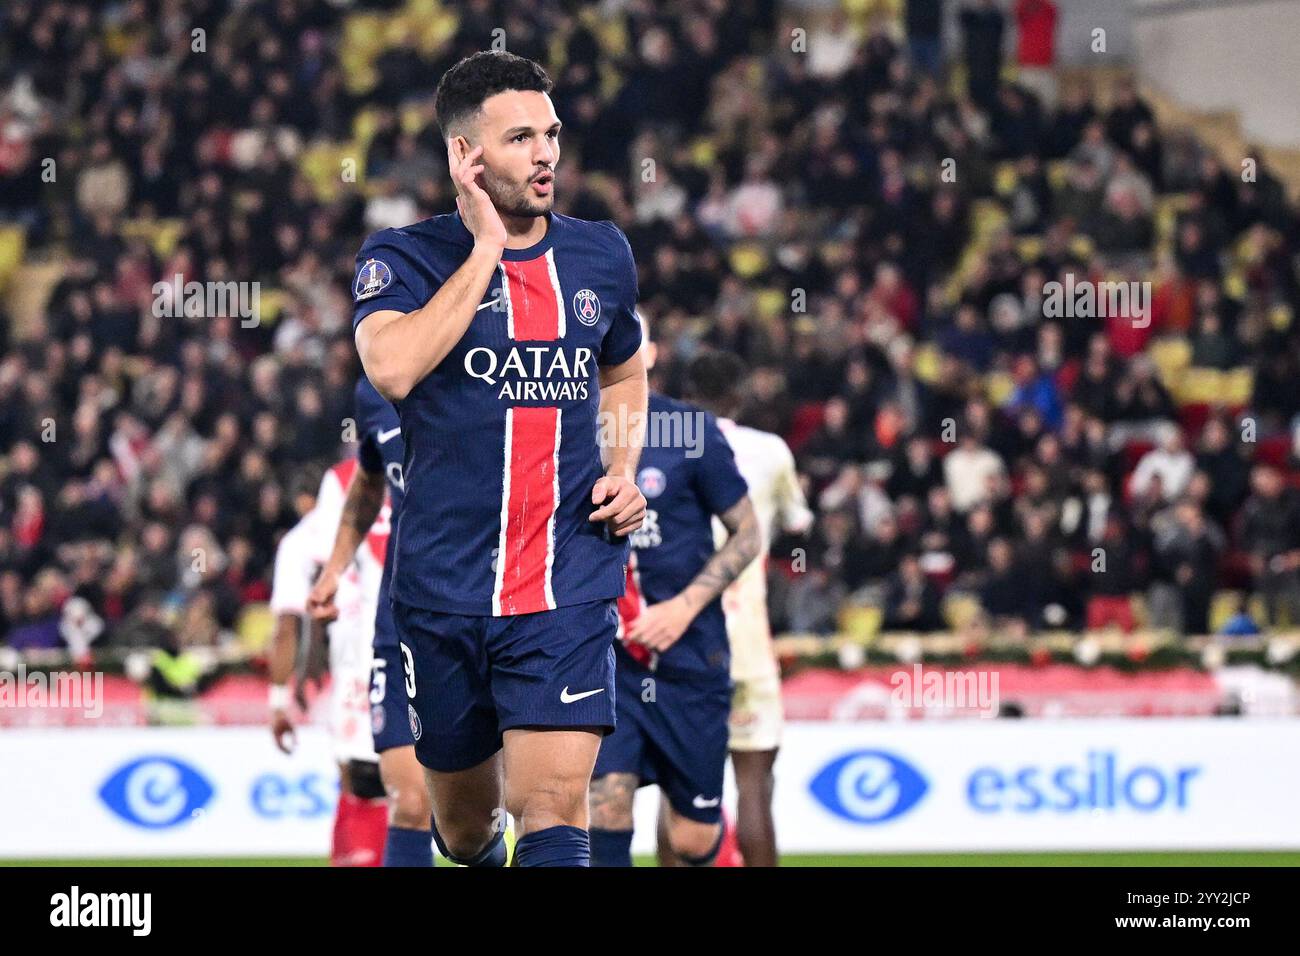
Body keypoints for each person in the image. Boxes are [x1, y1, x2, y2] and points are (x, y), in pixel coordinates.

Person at [350, 51, 648, 867]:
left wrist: (622, 467)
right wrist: (484, 250)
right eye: (521, 138)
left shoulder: (601, 256)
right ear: (465, 157)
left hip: (565, 577)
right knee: (465, 829)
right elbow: (395, 367)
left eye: (551, 134)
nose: (547, 153)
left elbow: (624, 368)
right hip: (441, 591)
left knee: (554, 805)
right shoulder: (401, 257)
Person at [588, 330, 762, 868]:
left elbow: (748, 534)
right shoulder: (561, 431)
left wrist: (685, 606)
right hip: (605, 659)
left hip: (689, 658)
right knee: (605, 805)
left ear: (646, 356)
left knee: (691, 839)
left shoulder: (689, 428)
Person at [688, 350, 812, 867]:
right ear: (739, 396)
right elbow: (798, 522)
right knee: (754, 784)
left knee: (685, 791)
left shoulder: (665, 445)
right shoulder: (770, 450)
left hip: (684, 632)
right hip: (748, 637)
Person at [307, 376, 435, 867]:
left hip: (484, 618)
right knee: (409, 802)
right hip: (398, 625)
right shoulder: (374, 393)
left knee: (476, 825)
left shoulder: (486, 371)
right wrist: (335, 570)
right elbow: (369, 478)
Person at [268, 462, 388, 866]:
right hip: (405, 655)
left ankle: (359, 855)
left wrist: (279, 699)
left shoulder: (300, 542)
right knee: (397, 782)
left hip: (355, 665)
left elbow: (288, 627)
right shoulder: (388, 517)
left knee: (359, 775)